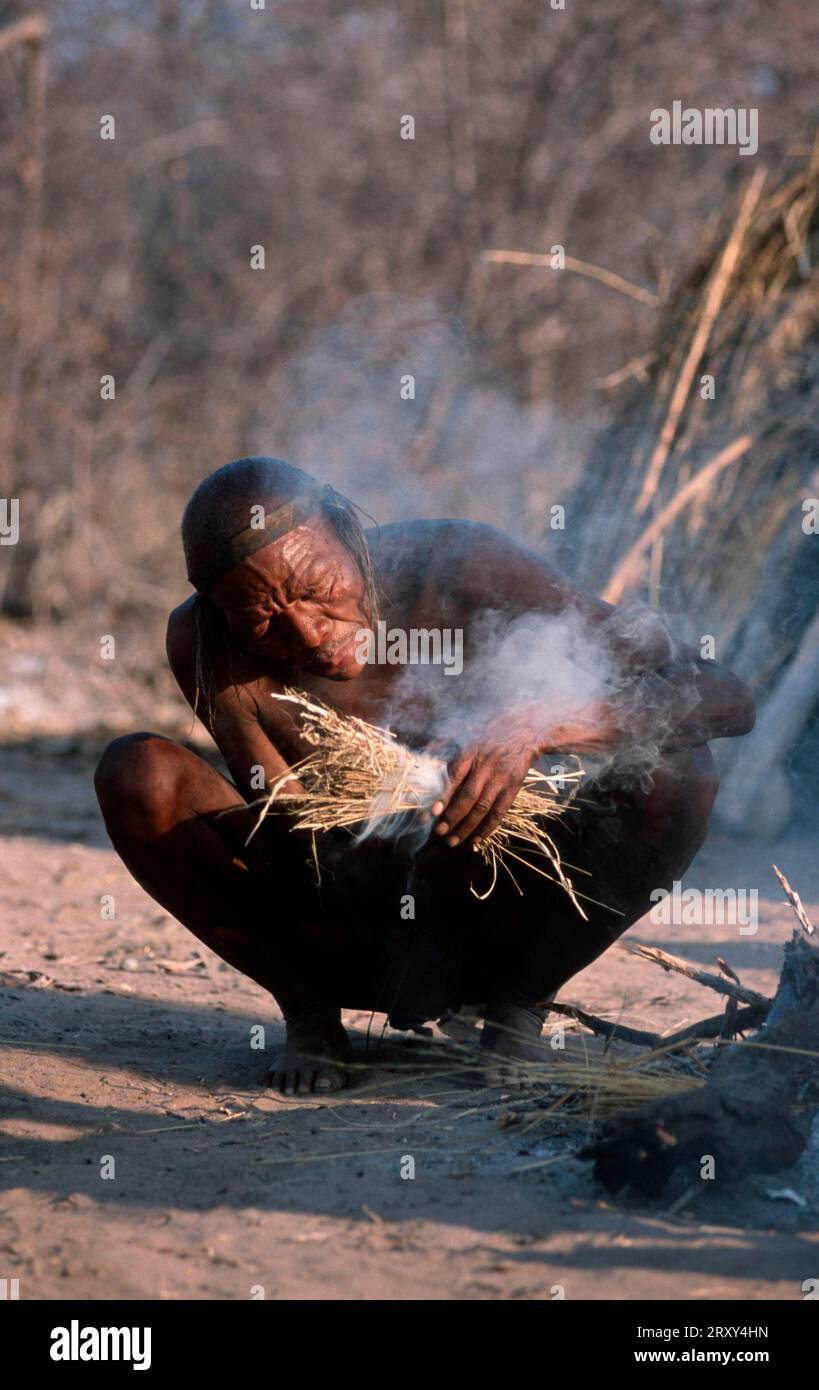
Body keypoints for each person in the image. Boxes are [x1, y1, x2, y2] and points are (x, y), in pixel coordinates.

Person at [95, 456, 755, 1093]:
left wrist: (538, 726)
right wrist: (388, 830)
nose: (309, 634)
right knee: (138, 772)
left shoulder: (458, 566)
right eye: (264, 622)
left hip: (503, 913)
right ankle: (310, 1017)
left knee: (678, 772)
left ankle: (519, 1007)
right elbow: (292, 834)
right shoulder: (207, 642)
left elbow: (725, 696)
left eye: (315, 590)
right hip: (349, 929)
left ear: (346, 531)